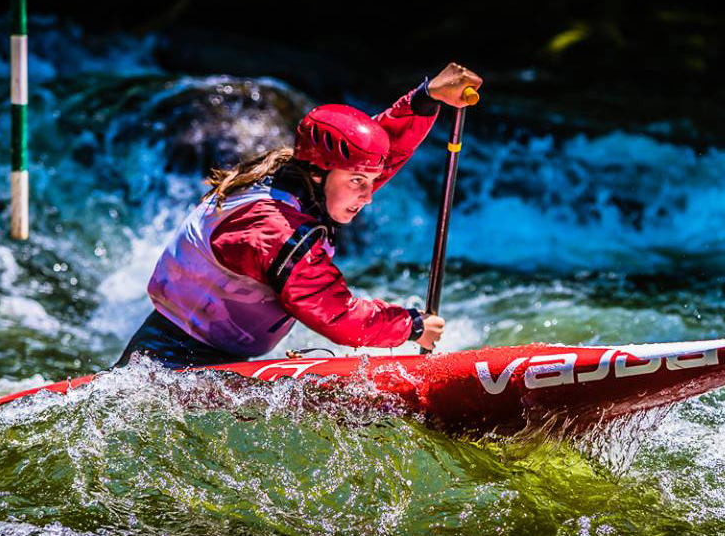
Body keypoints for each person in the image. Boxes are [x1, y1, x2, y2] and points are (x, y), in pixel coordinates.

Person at [116, 62, 483, 369]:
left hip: (213, 357)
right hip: (171, 365)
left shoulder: (295, 180)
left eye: (370, 180)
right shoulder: (274, 229)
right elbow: (336, 314)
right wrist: (411, 326)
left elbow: (378, 151)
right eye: (359, 181)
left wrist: (425, 98)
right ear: (321, 172)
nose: (369, 196)